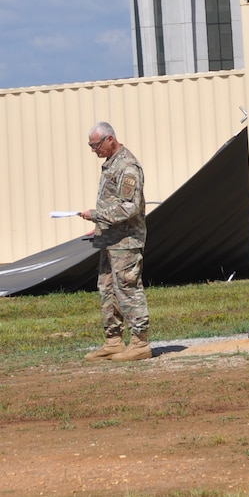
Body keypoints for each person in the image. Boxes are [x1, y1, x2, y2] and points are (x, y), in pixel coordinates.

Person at [80, 121, 151, 362]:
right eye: (90, 145)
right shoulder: (111, 165)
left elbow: (129, 207)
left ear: (110, 139)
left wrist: (97, 214)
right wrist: (99, 226)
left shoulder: (127, 166)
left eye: (95, 144)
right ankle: (113, 341)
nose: (93, 150)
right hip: (110, 239)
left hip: (126, 242)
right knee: (108, 289)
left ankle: (140, 343)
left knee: (128, 288)